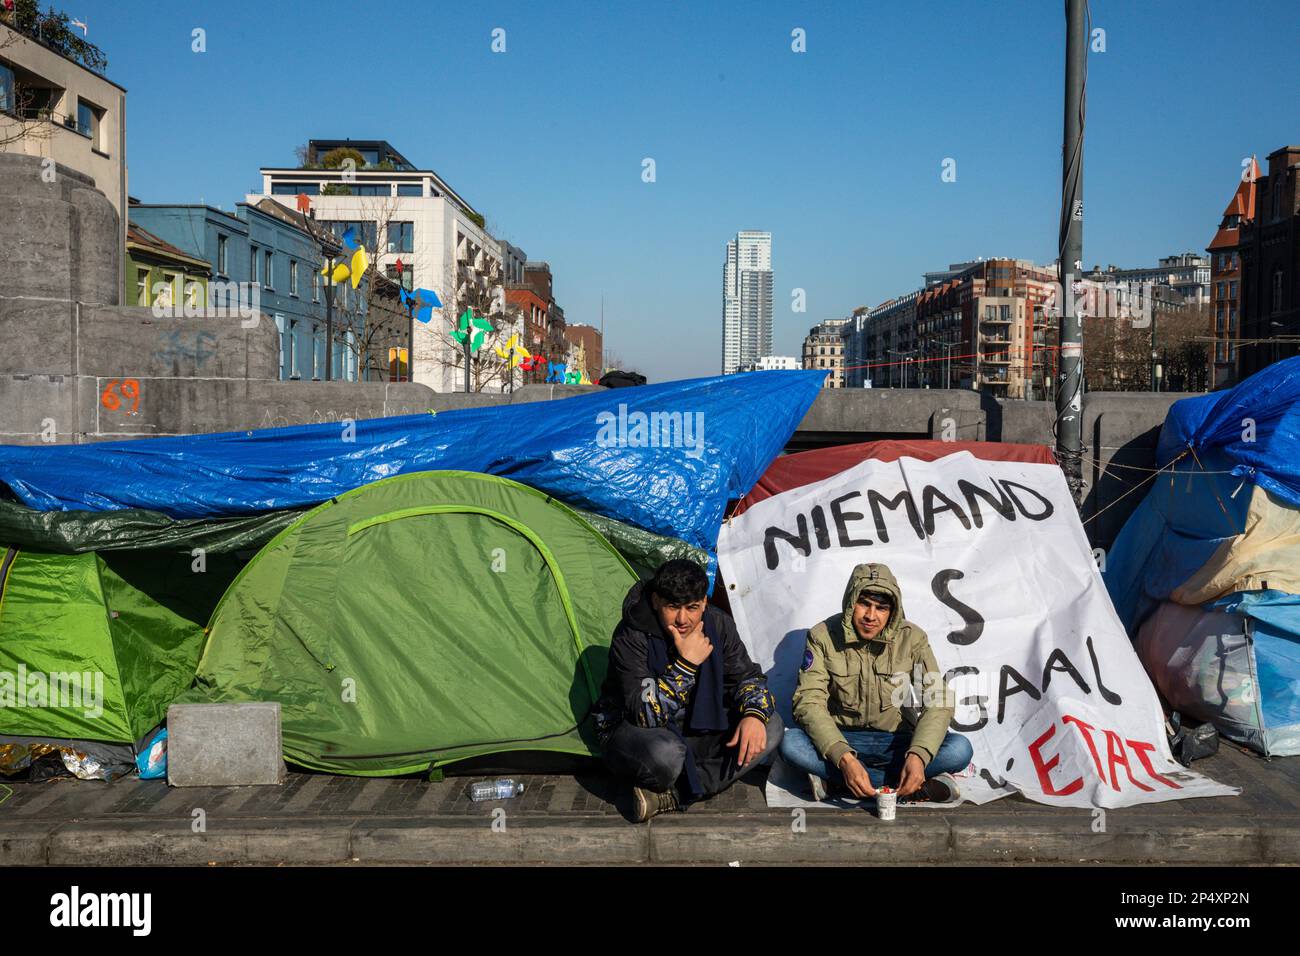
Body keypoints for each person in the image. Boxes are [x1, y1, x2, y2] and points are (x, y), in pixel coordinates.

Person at [595, 559, 782, 822]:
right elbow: (643, 714)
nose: (683, 619)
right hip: (635, 732)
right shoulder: (632, 634)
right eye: (673, 607)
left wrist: (753, 715)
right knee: (667, 756)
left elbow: (748, 678)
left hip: (696, 727)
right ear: (657, 600)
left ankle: (676, 794)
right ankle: (683, 777)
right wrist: (686, 665)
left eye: (692, 608)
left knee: (770, 725)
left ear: (704, 603)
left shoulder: (718, 625)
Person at [780, 562, 973, 804]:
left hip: (897, 743)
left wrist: (918, 756)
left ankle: (841, 783)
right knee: (790, 744)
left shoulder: (912, 638)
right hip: (843, 738)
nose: (871, 616)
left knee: (960, 748)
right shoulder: (822, 636)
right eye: (864, 604)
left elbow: (939, 701)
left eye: (881, 608)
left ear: (892, 611)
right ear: (851, 603)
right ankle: (901, 785)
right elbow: (808, 701)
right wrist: (845, 759)